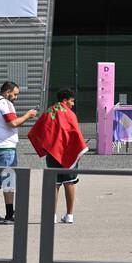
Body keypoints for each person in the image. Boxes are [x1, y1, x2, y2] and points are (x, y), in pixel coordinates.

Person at [27, 89, 88, 224]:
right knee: (70, 182)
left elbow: (37, 131)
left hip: (52, 153)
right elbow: (76, 133)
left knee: (54, 184)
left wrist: (45, 147)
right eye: (72, 101)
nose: (73, 104)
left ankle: (51, 216)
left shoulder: (49, 112)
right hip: (69, 153)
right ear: (65, 100)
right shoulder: (70, 114)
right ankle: (70, 215)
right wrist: (79, 151)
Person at [0, 81, 37, 224]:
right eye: (15, 94)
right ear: (7, 92)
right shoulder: (5, 104)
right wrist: (28, 115)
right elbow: (13, 123)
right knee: (8, 180)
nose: (16, 98)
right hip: (4, 147)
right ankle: (10, 214)